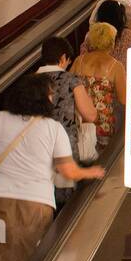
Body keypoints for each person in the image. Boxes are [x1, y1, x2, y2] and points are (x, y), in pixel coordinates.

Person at [0, 75, 105, 261]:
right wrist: (91, 173)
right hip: (34, 204)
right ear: (41, 98)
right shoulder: (52, 128)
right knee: (28, 258)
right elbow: (68, 170)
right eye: (50, 93)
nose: (52, 97)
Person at [35, 38, 96, 205]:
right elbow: (89, 115)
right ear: (63, 58)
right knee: (66, 203)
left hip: (35, 150)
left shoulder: (29, 82)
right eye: (68, 61)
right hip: (65, 150)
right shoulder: (71, 80)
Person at [70, 24, 127, 152]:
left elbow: (68, 88)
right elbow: (123, 100)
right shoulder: (116, 67)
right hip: (103, 124)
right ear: (112, 42)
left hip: (80, 121)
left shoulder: (79, 61)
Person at [80, 0, 131, 65]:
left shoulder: (92, 35)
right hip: (125, 74)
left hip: (93, 74)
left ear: (100, 16)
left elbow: (83, 59)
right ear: (121, 17)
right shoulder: (130, 36)